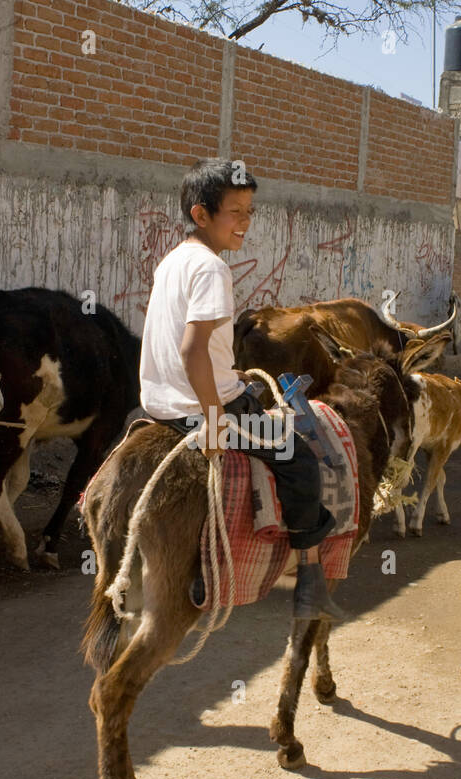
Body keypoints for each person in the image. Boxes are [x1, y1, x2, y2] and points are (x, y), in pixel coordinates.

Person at [140, 158, 344, 621]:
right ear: (201, 214)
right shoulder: (213, 269)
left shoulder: (172, 261)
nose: (245, 223)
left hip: (160, 403)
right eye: (235, 212)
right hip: (201, 409)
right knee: (298, 458)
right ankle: (310, 581)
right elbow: (193, 351)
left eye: (250, 212)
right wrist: (214, 421)